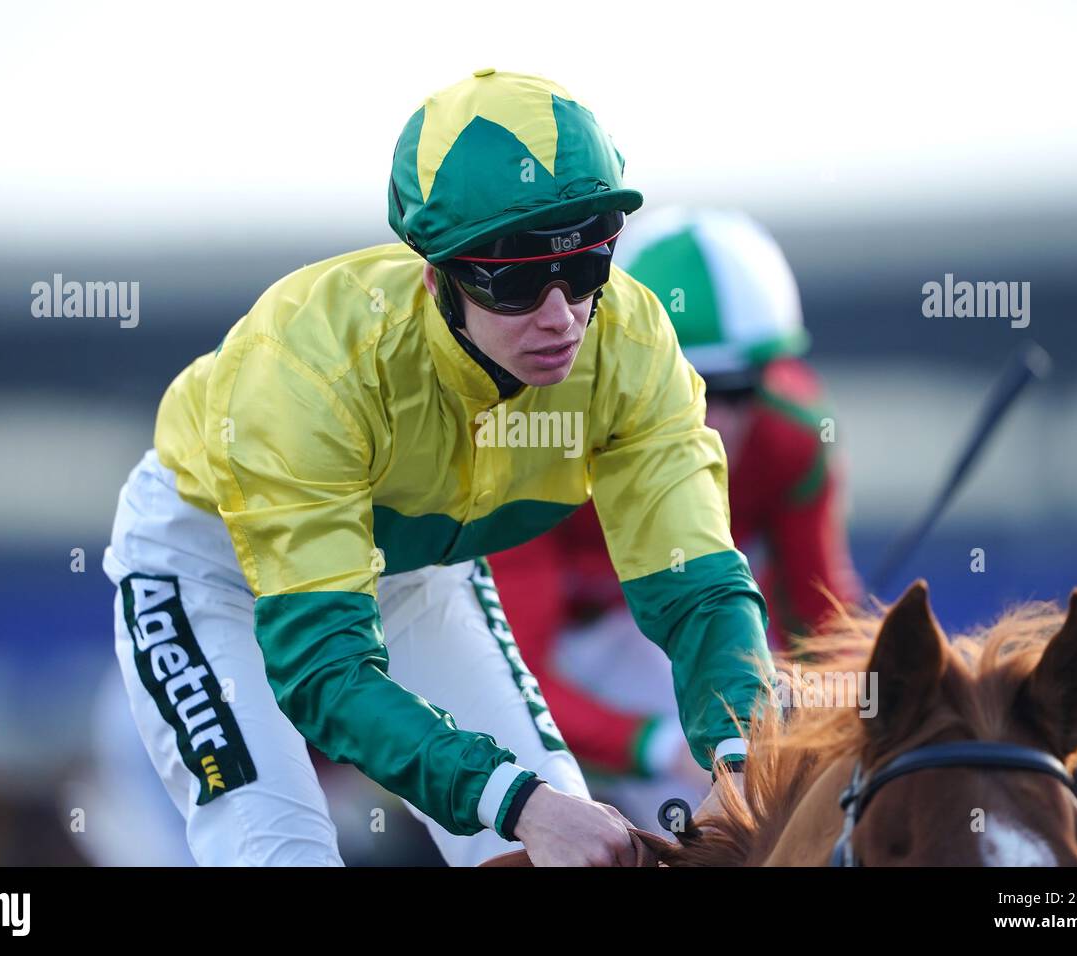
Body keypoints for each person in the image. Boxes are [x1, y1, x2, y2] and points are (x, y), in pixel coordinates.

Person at [102, 71, 773, 866]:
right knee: (284, 850)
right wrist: (518, 803)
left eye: (587, 264)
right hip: (212, 571)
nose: (561, 316)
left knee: (571, 853)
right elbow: (325, 670)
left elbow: (697, 586)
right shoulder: (307, 368)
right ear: (437, 276)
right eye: (520, 279)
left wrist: (744, 759)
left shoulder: (632, 343)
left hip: (411, 570)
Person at [489, 208, 862, 827]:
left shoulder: (795, 436)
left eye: (737, 391)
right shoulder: (536, 444)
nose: (710, 420)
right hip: (578, 679)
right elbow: (514, 673)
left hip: (705, 657)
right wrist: (659, 747)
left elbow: (820, 621)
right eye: (683, 383)